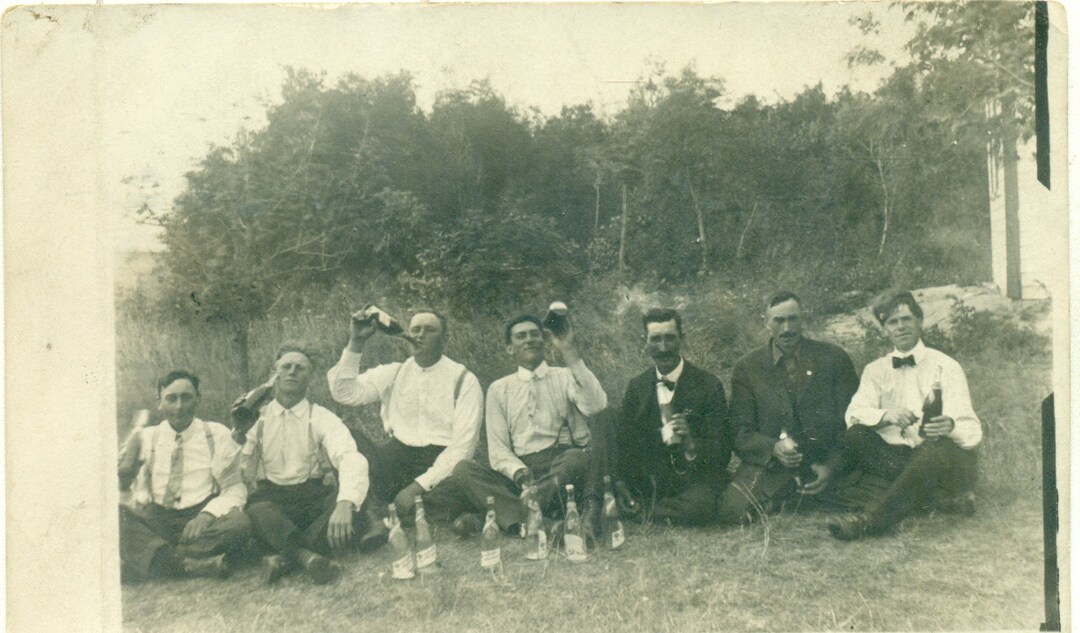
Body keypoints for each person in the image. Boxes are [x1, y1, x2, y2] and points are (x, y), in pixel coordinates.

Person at [423, 314, 608, 536]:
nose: (529, 340)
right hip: (521, 472)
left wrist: (569, 351)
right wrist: (520, 474)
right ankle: (545, 524)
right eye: (521, 336)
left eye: (534, 335)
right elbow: (499, 449)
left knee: (578, 459)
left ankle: (505, 516)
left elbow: (598, 406)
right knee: (464, 470)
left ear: (544, 341)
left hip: (561, 467)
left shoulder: (566, 375)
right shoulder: (499, 389)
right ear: (510, 348)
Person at [827, 290, 982, 540]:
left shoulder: (947, 366)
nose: (900, 327)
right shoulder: (875, 370)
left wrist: (950, 426)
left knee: (933, 449)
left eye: (906, 319)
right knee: (856, 435)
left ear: (919, 321)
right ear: (885, 329)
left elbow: (973, 432)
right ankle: (937, 500)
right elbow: (853, 415)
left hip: (942, 461)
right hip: (898, 461)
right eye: (892, 322)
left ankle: (870, 521)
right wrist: (886, 415)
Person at [327, 309, 483, 523]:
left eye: (430, 330)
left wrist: (416, 488)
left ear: (444, 337)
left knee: (460, 483)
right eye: (415, 330)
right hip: (396, 460)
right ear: (406, 334)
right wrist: (356, 342)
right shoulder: (394, 372)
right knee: (349, 437)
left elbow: (463, 447)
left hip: (439, 461)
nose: (420, 335)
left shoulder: (464, 379)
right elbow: (343, 393)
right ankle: (382, 515)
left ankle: (392, 511)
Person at [717, 292, 859, 523]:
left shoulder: (834, 358)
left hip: (824, 459)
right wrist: (773, 447)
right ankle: (794, 495)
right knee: (732, 511)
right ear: (766, 323)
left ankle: (804, 492)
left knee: (870, 498)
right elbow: (739, 432)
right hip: (773, 464)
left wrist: (831, 467)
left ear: (803, 319)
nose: (786, 328)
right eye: (778, 321)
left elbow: (854, 422)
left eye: (792, 319)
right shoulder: (747, 368)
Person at [240, 342, 376, 584]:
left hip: (311, 497)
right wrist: (236, 434)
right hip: (273, 500)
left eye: (300, 368)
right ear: (275, 374)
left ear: (309, 378)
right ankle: (308, 557)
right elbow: (239, 468)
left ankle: (284, 558)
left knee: (355, 501)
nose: (292, 372)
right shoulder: (256, 418)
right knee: (256, 512)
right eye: (286, 367)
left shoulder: (320, 416)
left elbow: (349, 456)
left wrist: (344, 504)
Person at [118, 370, 251, 582]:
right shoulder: (146, 437)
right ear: (159, 402)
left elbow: (234, 487)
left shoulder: (217, 434)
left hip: (199, 519)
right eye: (171, 398)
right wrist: (124, 474)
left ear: (198, 399)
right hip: (157, 518)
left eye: (186, 397)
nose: (179, 406)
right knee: (116, 517)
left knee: (239, 524)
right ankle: (192, 564)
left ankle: (154, 559)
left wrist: (206, 516)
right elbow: (123, 484)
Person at [610, 308, 732, 525]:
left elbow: (722, 452)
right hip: (654, 480)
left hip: (693, 480)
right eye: (655, 339)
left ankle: (642, 512)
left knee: (700, 505)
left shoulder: (708, 385)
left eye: (670, 338)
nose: (663, 348)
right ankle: (649, 506)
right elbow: (626, 445)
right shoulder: (637, 387)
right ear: (644, 342)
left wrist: (691, 443)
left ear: (682, 339)